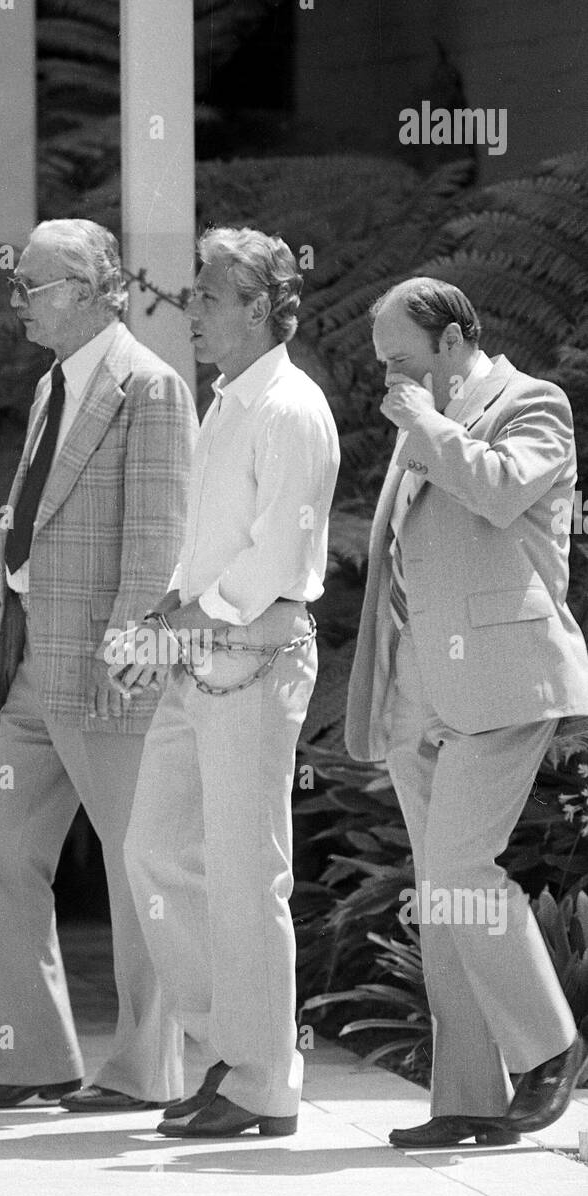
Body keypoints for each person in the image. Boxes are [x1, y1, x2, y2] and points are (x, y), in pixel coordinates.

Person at [0, 218, 196, 1112]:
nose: (19, 300)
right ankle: (27, 1060)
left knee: (139, 873)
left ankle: (143, 1073)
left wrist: (129, 645)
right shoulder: (52, 383)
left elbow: (159, 537)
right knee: (3, 849)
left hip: (106, 662)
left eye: (37, 285)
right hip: (33, 661)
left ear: (100, 292)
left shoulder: (150, 387)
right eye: (20, 283)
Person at [345, 276, 588, 1148]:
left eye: (402, 362)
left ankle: (550, 1045)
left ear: (453, 342)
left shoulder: (533, 403)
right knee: (441, 893)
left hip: (503, 675)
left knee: (457, 871)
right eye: (381, 369)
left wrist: (422, 421)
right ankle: (467, 1101)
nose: (391, 383)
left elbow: (497, 491)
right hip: (423, 688)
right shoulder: (425, 423)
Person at [118, 227, 340, 1138]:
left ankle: (260, 1081)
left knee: (250, 877)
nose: (190, 310)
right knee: (153, 851)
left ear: (259, 308)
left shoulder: (291, 408)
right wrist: (171, 612)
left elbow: (272, 562)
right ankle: (232, 1052)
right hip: (202, 654)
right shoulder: (230, 403)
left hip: (251, 656)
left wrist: (181, 621)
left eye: (207, 297)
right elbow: (210, 542)